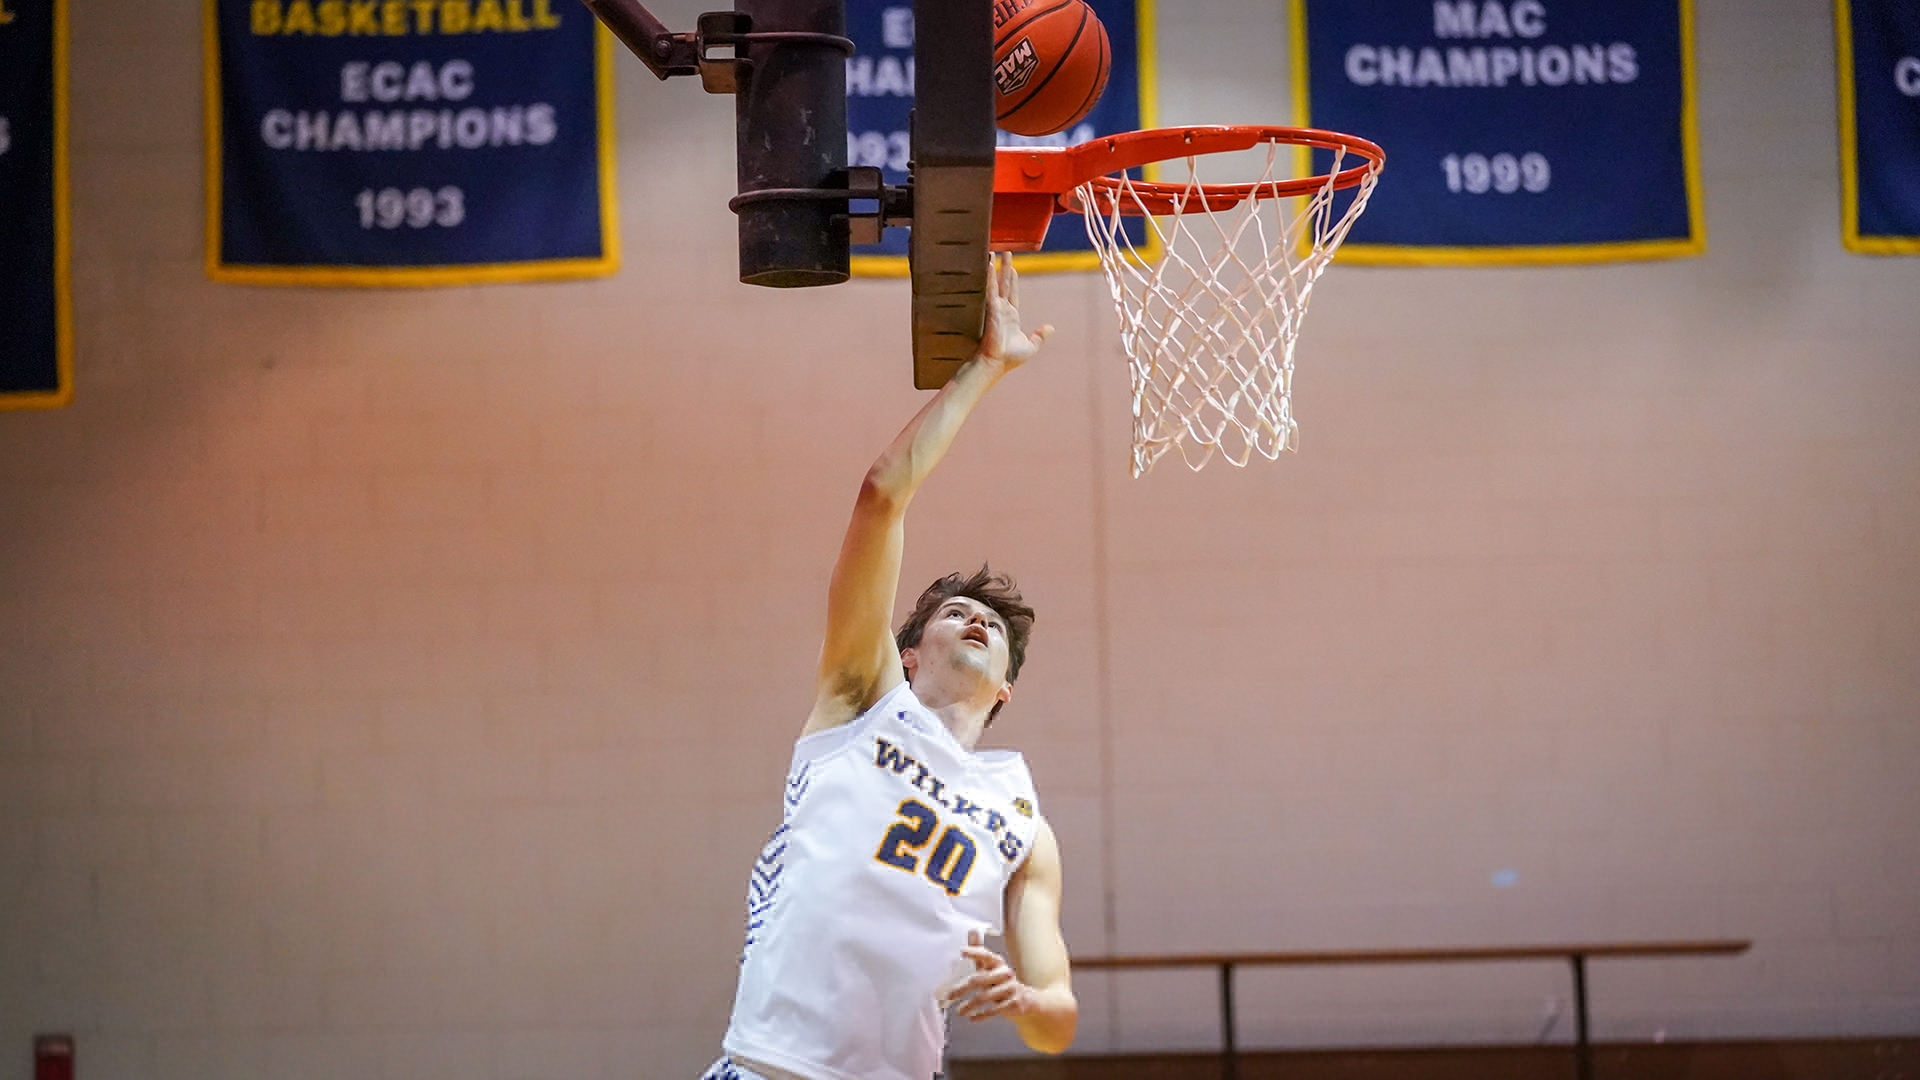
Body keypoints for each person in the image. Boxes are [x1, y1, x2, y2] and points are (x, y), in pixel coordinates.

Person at [707, 256, 1076, 1080]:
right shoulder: (859, 704)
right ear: (909, 656)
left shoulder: (1023, 821)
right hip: (771, 1070)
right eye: (955, 613)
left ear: (1006, 685)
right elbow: (881, 494)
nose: (977, 619)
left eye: (994, 627)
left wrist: (1025, 1000)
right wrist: (984, 369)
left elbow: (1058, 1019)